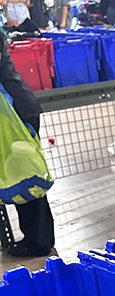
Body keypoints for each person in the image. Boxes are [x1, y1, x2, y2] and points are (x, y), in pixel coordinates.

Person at [0, 32, 54, 257]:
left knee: (27, 177)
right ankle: (35, 237)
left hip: (16, 113)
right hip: (14, 110)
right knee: (19, 176)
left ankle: (39, 242)